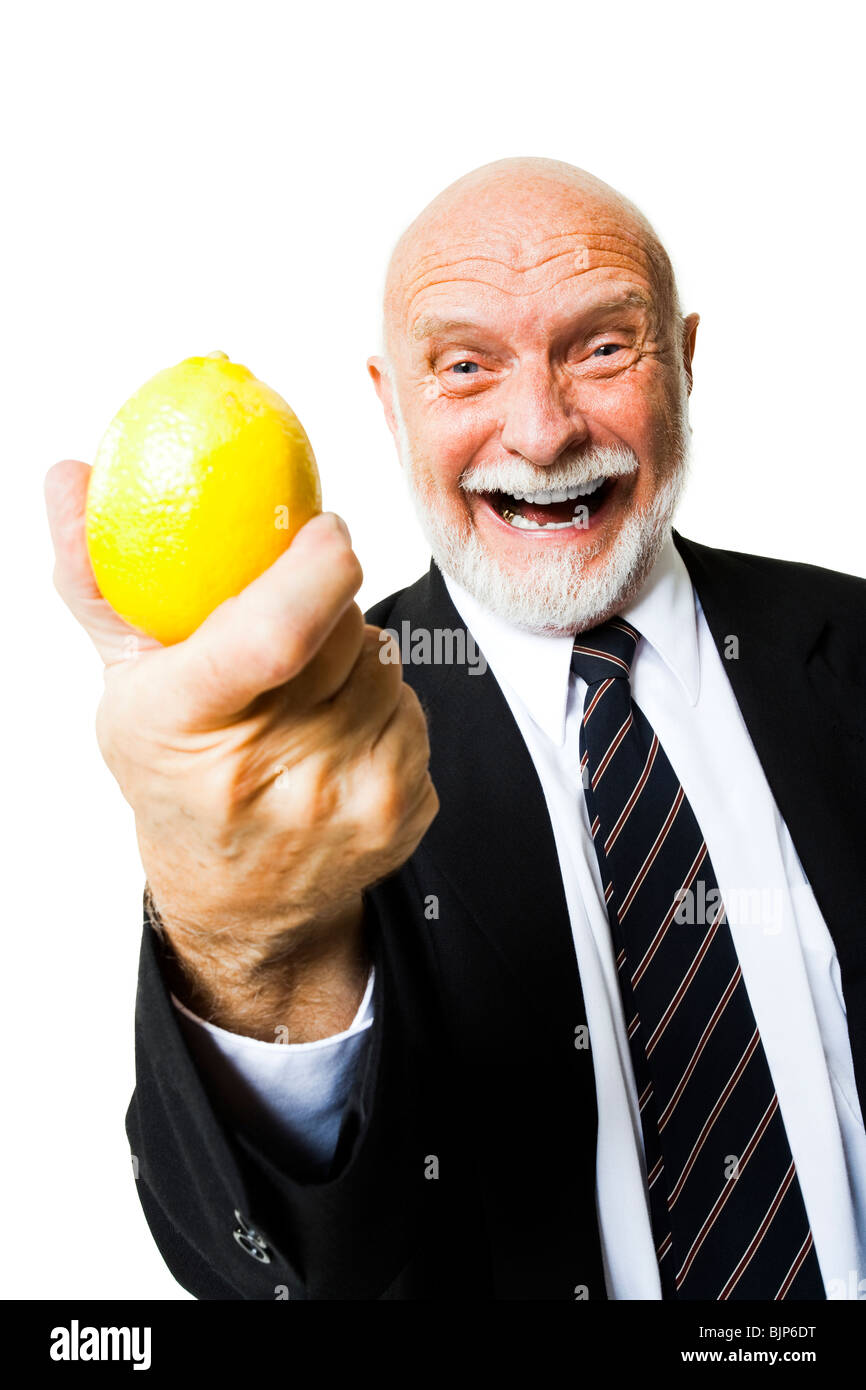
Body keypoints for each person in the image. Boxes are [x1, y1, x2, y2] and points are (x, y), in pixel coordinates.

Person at [45, 157, 866, 1301]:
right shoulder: (316, 747)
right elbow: (297, 1264)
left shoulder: (850, 641)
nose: (537, 432)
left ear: (682, 359)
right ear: (389, 403)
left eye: (599, 346)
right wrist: (246, 939)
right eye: (465, 366)